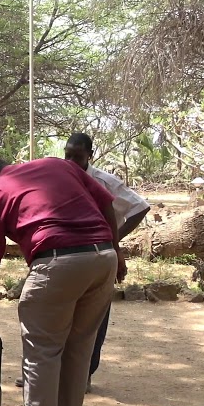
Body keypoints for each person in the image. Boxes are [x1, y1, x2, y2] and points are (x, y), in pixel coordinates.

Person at [0, 156, 125, 406]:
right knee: (79, 346)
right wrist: (116, 249)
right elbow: (107, 203)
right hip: (103, 257)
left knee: (43, 350)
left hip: (57, 261)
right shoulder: (58, 165)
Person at [64, 133, 150, 391]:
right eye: (67, 155)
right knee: (61, 315)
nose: (71, 161)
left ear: (89, 155)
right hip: (67, 256)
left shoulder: (102, 181)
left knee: (94, 318)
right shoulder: (61, 177)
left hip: (99, 256)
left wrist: (113, 241)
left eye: (77, 157)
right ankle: (52, 373)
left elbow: (139, 207)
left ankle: (84, 375)